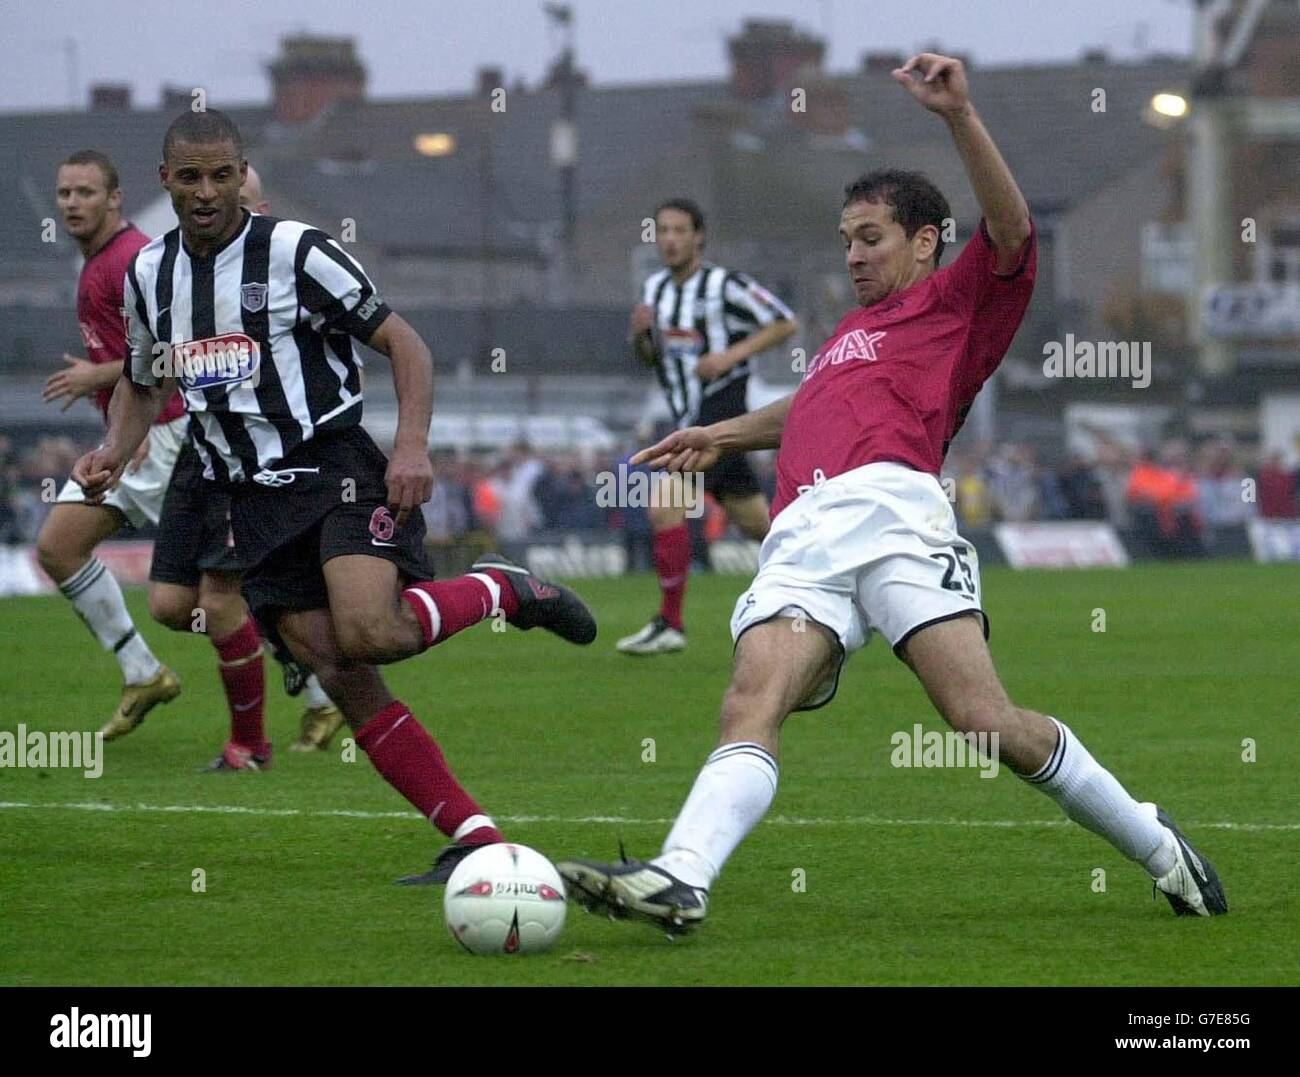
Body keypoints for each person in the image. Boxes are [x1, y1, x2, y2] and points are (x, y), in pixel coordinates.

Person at [558, 54, 1226, 930]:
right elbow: (815, 408)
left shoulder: (960, 301)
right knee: (749, 700)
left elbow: (1016, 227)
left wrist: (959, 116)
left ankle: (1156, 842)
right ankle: (681, 877)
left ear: (924, 240)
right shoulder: (853, 332)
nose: (854, 253)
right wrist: (720, 433)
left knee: (982, 719)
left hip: (898, 518)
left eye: (869, 237)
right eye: (845, 239)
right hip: (805, 531)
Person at [74, 109, 596, 882]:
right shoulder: (150, 275)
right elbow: (144, 383)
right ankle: (478, 841)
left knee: (370, 632)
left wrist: (411, 444)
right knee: (344, 675)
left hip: (332, 469)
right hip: (246, 504)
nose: (208, 191)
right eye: (190, 177)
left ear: (241, 172)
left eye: (222, 174)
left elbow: (404, 342)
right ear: (165, 182)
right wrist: (114, 449)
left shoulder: (296, 251)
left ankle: (500, 588)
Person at [145, 163, 344, 763]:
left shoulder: (286, 271)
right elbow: (148, 360)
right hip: (197, 446)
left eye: (248, 208)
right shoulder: (166, 273)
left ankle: (249, 745)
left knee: (220, 601)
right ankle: (307, 667)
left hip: (260, 459)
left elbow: (359, 342)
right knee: (171, 606)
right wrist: (122, 434)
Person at [36, 150, 184, 740]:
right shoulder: (100, 262)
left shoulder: (127, 262)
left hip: (162, 434)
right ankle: (143, 671)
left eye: (85, 192)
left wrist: (115, 410)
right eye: (65, 193)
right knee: (219, 585)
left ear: (115, 198)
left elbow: (167, 353)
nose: (72, 203)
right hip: (144, 435)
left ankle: (323, 684)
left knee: (59, 546)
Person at [616, 199, 798, 655]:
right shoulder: (655, 289)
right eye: (663, 230)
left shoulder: (724, 285)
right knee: (767, 528)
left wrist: (729, 357)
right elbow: (651, 360)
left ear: (698, 236)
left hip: (722, 412)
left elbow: (784, 322)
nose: (671, 239)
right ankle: (845, 587)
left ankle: (670, 623)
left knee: (663, 505)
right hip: (687, 417)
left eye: (680, 230)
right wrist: (640, 337)